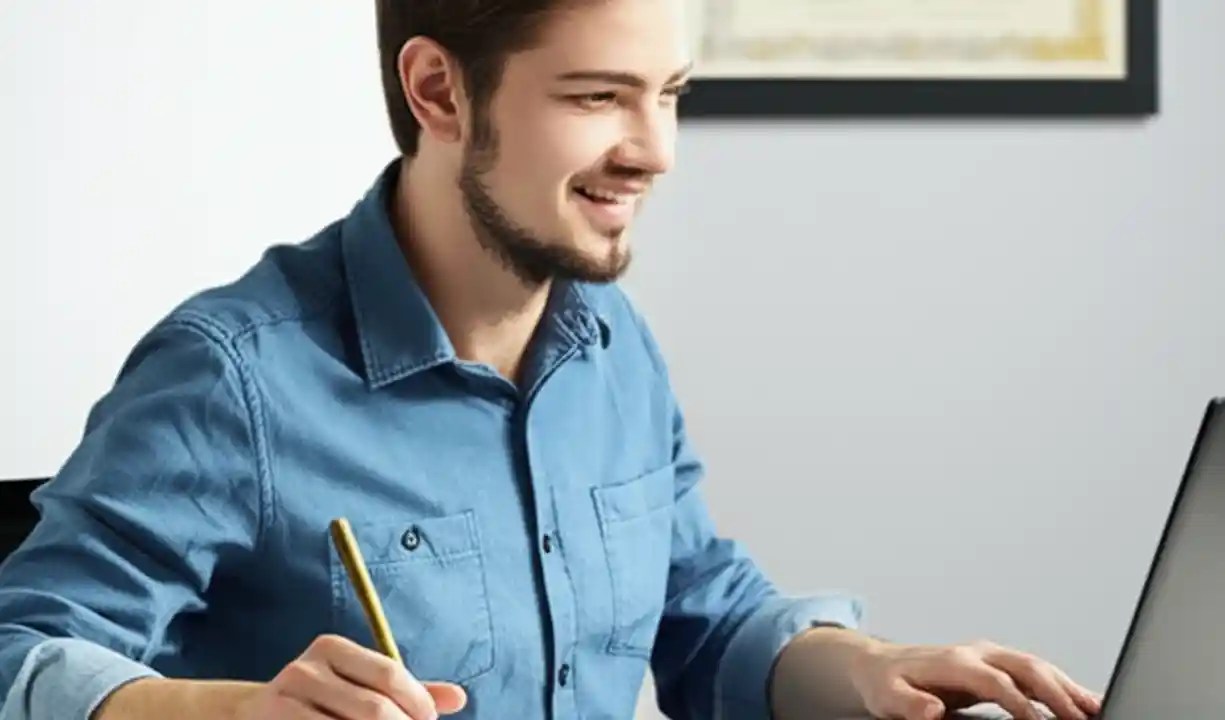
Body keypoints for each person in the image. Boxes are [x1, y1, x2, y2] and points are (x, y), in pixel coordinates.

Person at [0, 0, 1104, 719]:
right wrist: (222, 712)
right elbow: (19, 652)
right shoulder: (228, 373)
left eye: (667, 95)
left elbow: (699, 612)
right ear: (437, 91)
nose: (654, 152)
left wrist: (861, 668)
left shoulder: (613, 348)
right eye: (596, 97)